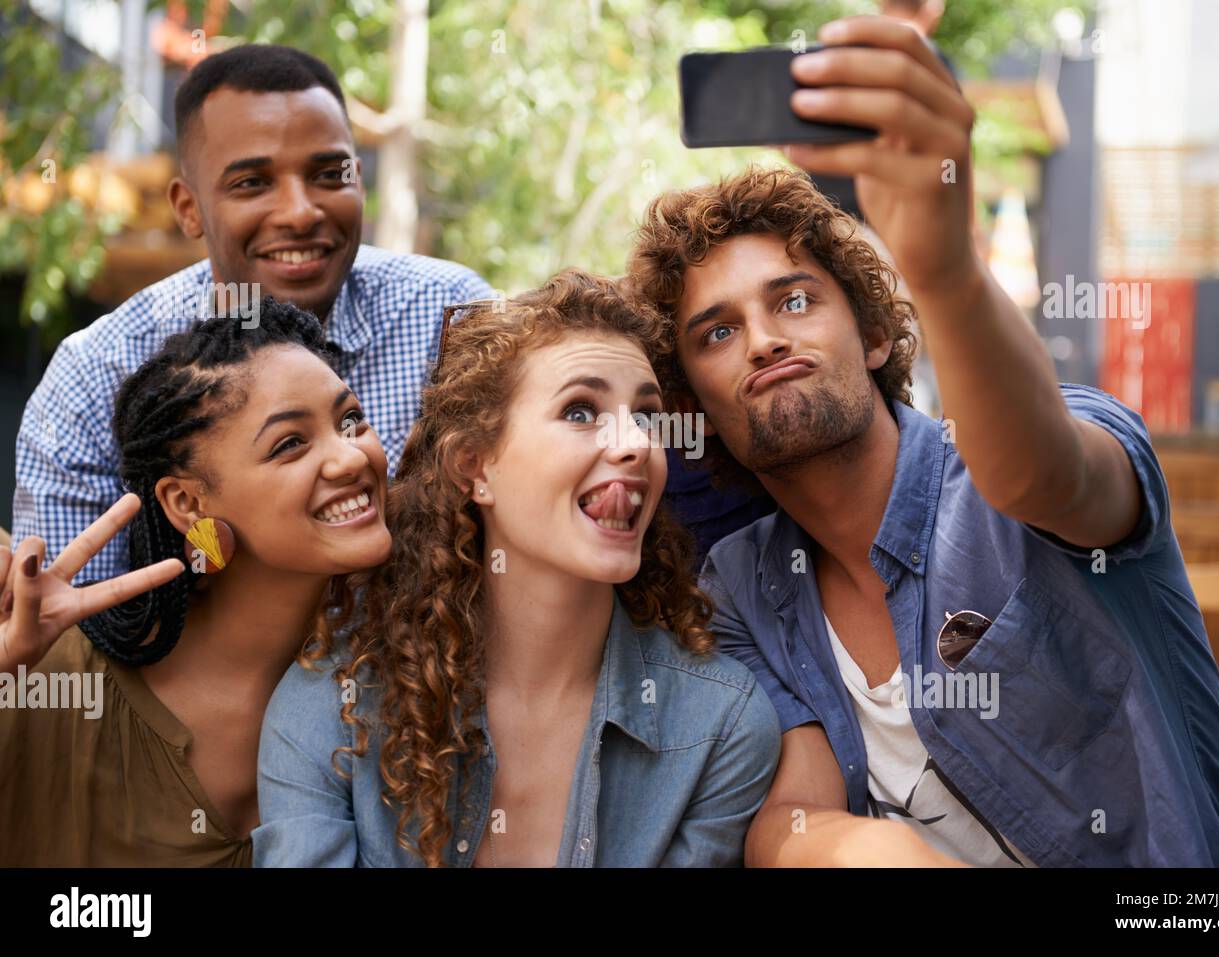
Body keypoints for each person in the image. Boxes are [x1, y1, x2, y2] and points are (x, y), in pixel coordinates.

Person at [626, 15, 1219, 866]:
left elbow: (1045, 475)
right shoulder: (743, 583)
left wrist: (945, 264)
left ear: (876, 334)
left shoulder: (1029, 466)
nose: (765, 338)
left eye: (796, 300)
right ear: (696, 395)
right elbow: (790, 817)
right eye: (716, 333)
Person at [254, 270, 781, 867]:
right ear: (474, 467)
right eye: (581, 412)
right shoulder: (334, 706)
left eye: (646, 416)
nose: (634, 442)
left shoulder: (721, 723)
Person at [12, 43, 491, 585]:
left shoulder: (449, 318)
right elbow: (73, 628)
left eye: (329, 175)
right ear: (188, 208)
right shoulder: (97, 376)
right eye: (252, 183)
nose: (300, 212)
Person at [0, 300, 393, 865]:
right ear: (187, 503)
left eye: (350, 421)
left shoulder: (405, 679)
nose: (350, 457)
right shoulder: (50, 679)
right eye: (290, 444)